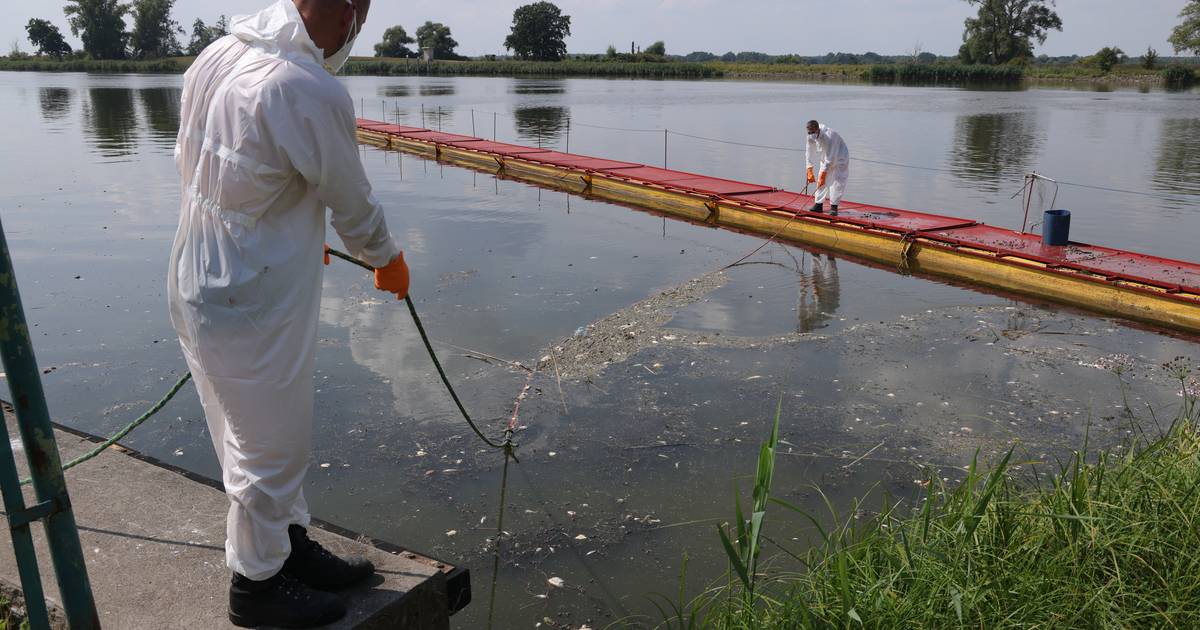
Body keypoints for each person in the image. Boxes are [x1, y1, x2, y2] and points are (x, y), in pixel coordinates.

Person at [167, 0, 409, 626]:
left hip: (200, 267)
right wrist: (386, 258)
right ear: (348, 12)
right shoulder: (306, 87)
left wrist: (285, 227)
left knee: (248, 431)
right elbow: (351, 201)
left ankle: (286, 546)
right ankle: (257, 587)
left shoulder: (220, 54)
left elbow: (202, 163)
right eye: (362, 18)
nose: (358, 31)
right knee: (272, 446)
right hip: (251, 292)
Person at [804, 120, 850, 215]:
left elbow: (830, 158)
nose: (811, 134)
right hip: (825, 158)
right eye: (809, 133)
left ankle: (834, 207)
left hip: (840, 158)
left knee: (836, 182)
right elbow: (809, 152)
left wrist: (823, 174)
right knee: (821, 182)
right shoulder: (810, 135)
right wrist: (809, 168)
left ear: (818, 129)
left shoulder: (829, 136)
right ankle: (818, 205)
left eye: (812, 132)